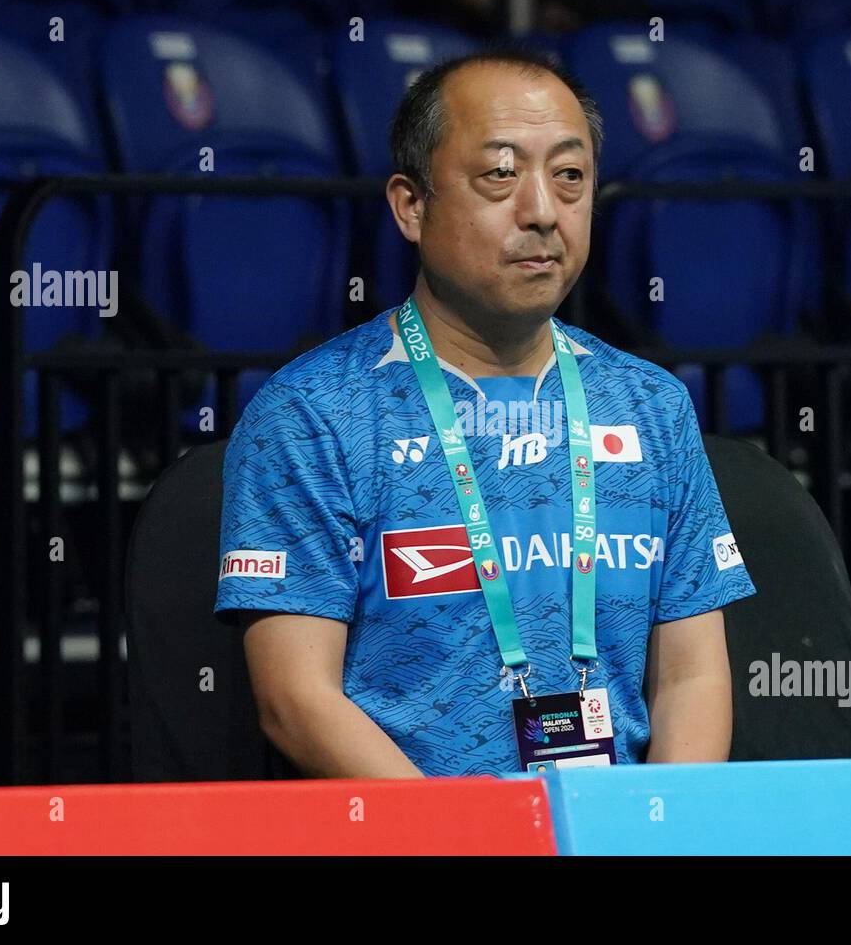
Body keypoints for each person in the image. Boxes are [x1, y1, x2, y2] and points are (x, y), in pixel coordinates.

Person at [213, 48, 756, 778]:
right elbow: (296, 700)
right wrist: (466, 842)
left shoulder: (651, 406)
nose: (540, 212)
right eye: (500, 174)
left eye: (570, 177)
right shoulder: (313, 416)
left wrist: (651, 835)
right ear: (411, 205)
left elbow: (693, 678)